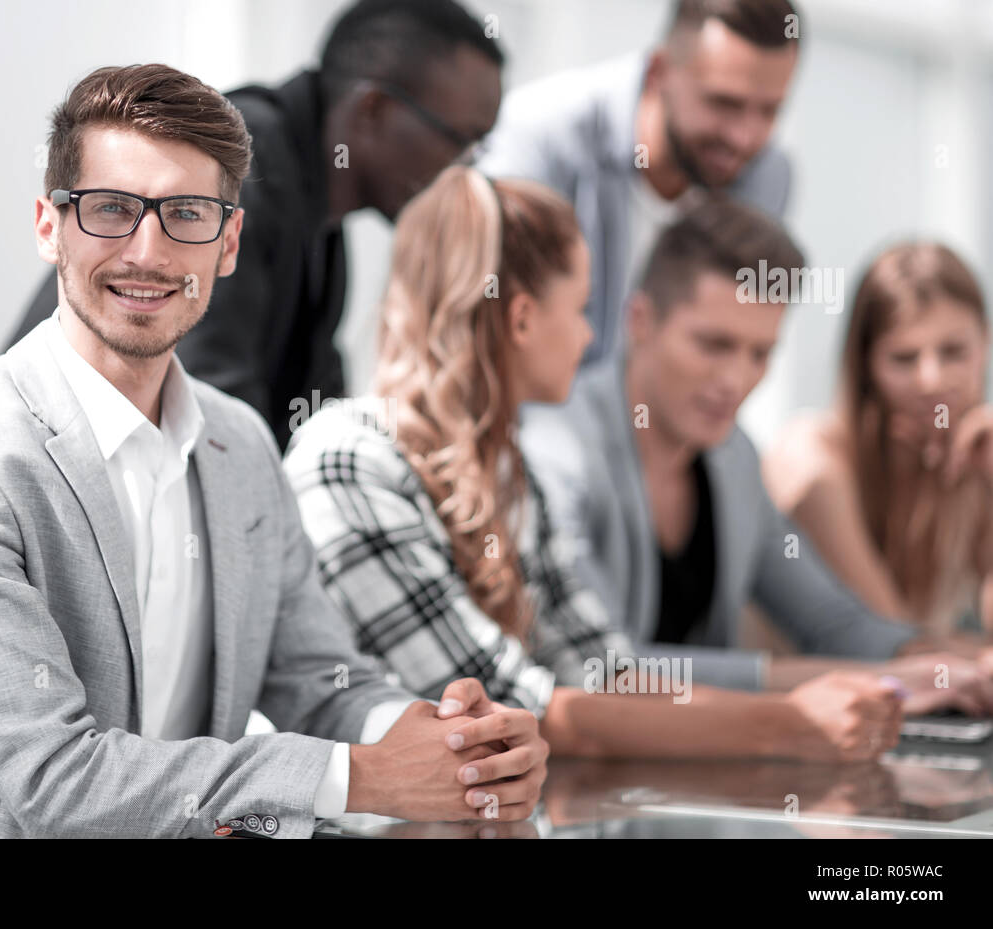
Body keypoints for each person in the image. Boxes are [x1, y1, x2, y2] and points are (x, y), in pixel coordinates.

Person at [0, 65, 548, 839]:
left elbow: (315, 679)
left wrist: (452, 743)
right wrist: (362, 776)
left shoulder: (239, 441)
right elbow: (53, 778)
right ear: (49, 225)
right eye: (111, 209)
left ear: (229, 241)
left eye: (187, 214)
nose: (149, 251)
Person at [284, 165, 907, 762]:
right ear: (523, 318)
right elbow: (501, 712)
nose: (588, 339)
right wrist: (789, 723)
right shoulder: (351, 459)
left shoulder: (512, 475)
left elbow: (609, 674)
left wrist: (820, 703)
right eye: (580, 309)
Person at [518, 196, 993, 714]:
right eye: (714, 345)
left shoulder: (733, 456)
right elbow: (603, 667)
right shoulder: (557, 453)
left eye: (760, 353)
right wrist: (853, 678)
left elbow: (830, 620)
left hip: (699, 770)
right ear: (641, 321)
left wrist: (942, 666)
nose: (735, 381)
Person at [5, 0, 504, 450]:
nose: (467, 169)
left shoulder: (319, 215)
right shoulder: (251, 169)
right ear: (372, 109)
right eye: (461, 139)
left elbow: (313, 423)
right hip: (51, 476)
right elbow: (209, 409)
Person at [476, 0, 798, 366]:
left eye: (770, 110)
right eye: (724, 103)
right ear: (659, 72)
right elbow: (486, 337)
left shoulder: (767, 177)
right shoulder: (541, 140)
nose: (744, 137)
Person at [765, 243, 993, 637]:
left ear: (985, 345)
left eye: (954, 352)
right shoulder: (813, 462)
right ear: (865, 364)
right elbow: (898, 645)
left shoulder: (975, 453)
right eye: (904, 359)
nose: (931, 381)